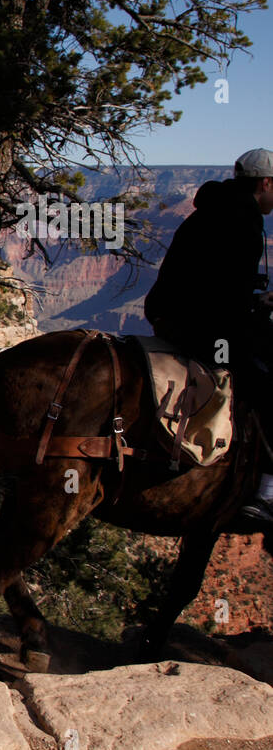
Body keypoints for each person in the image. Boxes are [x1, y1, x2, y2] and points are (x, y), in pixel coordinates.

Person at [144, 147, 273, 519]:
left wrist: (251, 299)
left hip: (170, 314)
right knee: (267, 383)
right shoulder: (244, 221)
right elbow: (224, 300)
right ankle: (265, 493)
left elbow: (213, 281)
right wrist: (256, 307)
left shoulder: (212, 207)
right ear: (265, 183)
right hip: (203, 327)